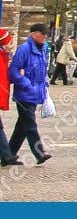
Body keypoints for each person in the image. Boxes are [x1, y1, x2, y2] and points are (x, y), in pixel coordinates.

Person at [7, 24, 52, 165]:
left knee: (22, 126)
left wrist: (44, 85)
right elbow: (14, 72)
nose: (45, 37)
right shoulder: (24, 50)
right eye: (42, 34)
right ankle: (39, 153)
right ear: (34, 34)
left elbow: (43, 71)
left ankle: (8, 154)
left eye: (46, 34)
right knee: (31, 125)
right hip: (24, 94)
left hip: (36, 93)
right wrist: (28, 86)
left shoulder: (43, 49)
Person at [0, 28, 19, 168]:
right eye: (9, 43)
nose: (11, 45)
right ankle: (7, 156)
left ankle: (7, 156)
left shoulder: (3, 56)